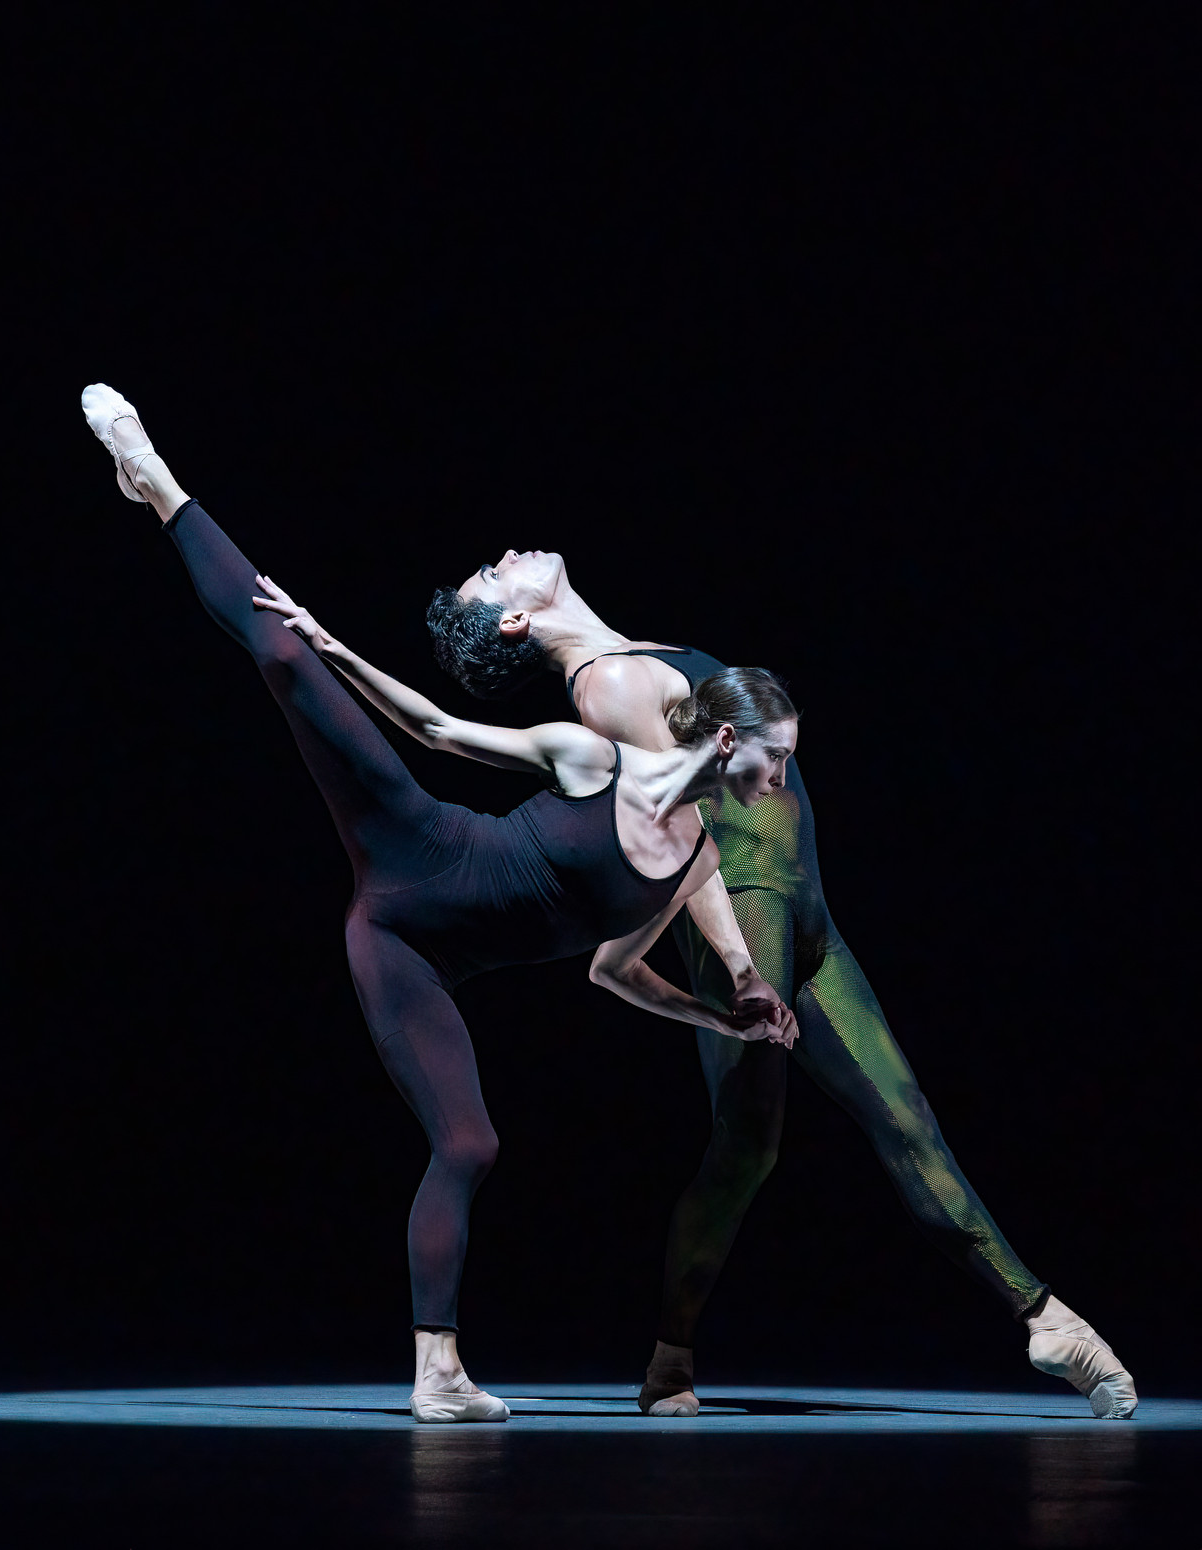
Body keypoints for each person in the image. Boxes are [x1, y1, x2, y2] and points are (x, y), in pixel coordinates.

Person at [80, 384, 798, 1425]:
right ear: (730, 744)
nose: (783, 783)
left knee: (469, 1143)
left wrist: (725, 1008)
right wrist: (333, 645)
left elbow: (612, 973)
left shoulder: (694, 859)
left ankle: (437, 1373)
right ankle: (157, 482)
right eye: (779, 761)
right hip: (413, 845)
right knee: (281, 654)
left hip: (405, 950)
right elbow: (437, 731)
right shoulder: (594, 755)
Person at [425, 551, 1138, 1421]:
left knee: (897, 1113)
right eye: (490, 576)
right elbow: (682, 829)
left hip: (806, 906)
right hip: (749, 908)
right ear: (514, 620)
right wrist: (740, 967)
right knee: (749, 1145)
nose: (504, 558)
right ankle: (671, 1357)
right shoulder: (604, 685)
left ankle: (1046, 1321)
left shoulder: (633, 651)